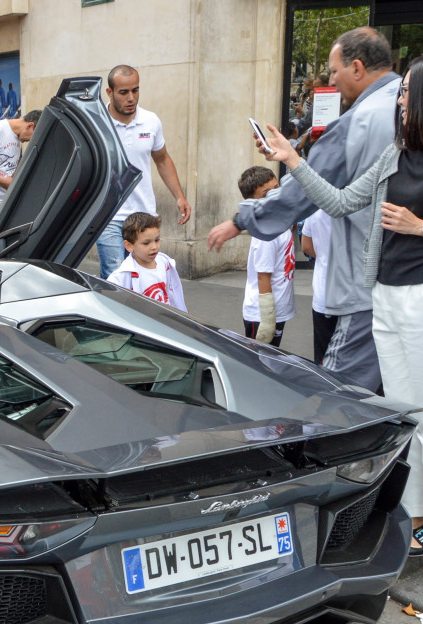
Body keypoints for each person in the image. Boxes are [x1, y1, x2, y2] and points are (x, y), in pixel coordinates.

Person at [259, 50, 423, 555]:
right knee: (409, 414)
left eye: (411, 92)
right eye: (401, 92)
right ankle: (418, 515)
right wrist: (293, 161)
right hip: (386, 296)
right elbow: (339, 201)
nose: (401, 100)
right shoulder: (397, 153)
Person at [208, 28, 400, 393]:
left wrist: (242, 219)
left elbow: (311, 196)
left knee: (341, 395)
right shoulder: (419, 104)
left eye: (333, 71)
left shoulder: (358, 122)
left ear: (356, 67)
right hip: (417, 284)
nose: (330, 81)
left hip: (369, 284)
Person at [93, 65, 192, 278]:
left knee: (145, 276)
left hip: (144, 215)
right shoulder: (97, 123)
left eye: (135, 90)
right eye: (123, 92)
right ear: (109, 93)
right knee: (116, 278)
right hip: (108, 216)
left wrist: (179, 196)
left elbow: (162, 159)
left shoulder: (150, 121)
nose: (131, 98)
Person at [236, 166, 295, 344]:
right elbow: (263, 277)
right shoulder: (266, 235)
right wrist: (268, 320)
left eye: (277, 188)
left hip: (278, 310)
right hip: (262, 315)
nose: (275, 196)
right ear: (253, 202)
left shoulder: (280, 221)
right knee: (259, 364)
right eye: (266, 194)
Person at [105, 211, 187, 310]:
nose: (154, 247)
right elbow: (110, 304)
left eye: (157, 240)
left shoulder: (164, 262)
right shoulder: (122, 276)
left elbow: (172, 293)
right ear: (129, 246)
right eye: (146, 243)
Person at [302, 209, 336, 364]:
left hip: (323, 293)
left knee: (323, 357)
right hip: (354, 296)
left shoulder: (314, 209)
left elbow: (306, 246)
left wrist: (324, 257)